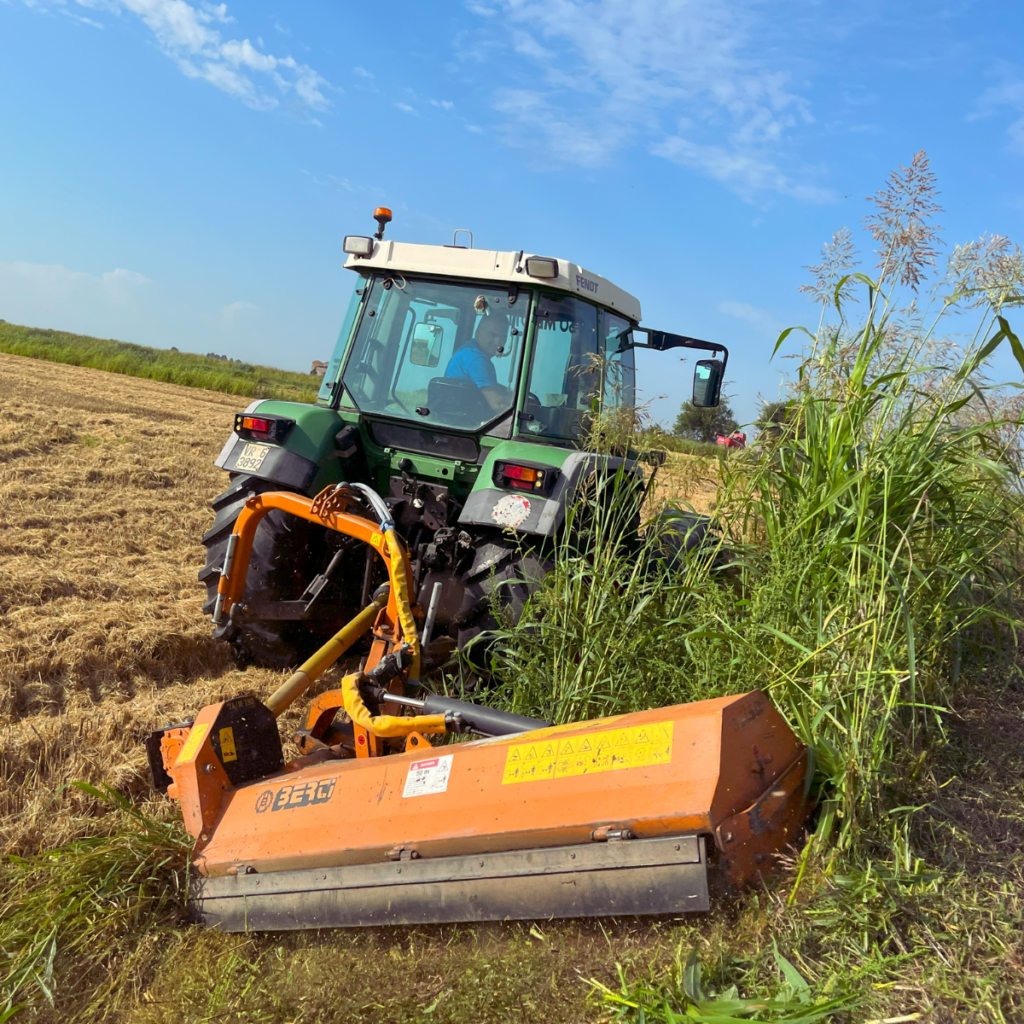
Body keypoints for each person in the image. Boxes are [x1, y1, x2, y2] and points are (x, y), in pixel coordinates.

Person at [444, 316, 511, 412]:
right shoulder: (478, 360)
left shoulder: (467, 351)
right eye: (492, 335)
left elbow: (485, 384)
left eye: (503, 337)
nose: (498, 342)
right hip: (467, 422)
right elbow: (497, 404)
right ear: (478, 332)